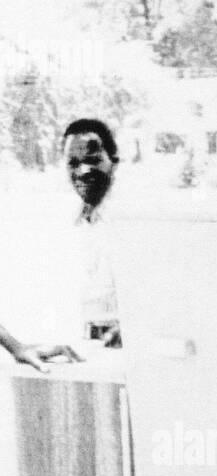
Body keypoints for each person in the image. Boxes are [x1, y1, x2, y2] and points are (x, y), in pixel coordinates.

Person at [63, 117, 123, 347]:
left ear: (113, 162)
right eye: (74, 163)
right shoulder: (69, 225)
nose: (84, 170)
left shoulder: (131, 219)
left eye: (93, 160)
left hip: (126, 345)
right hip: (85, 345)